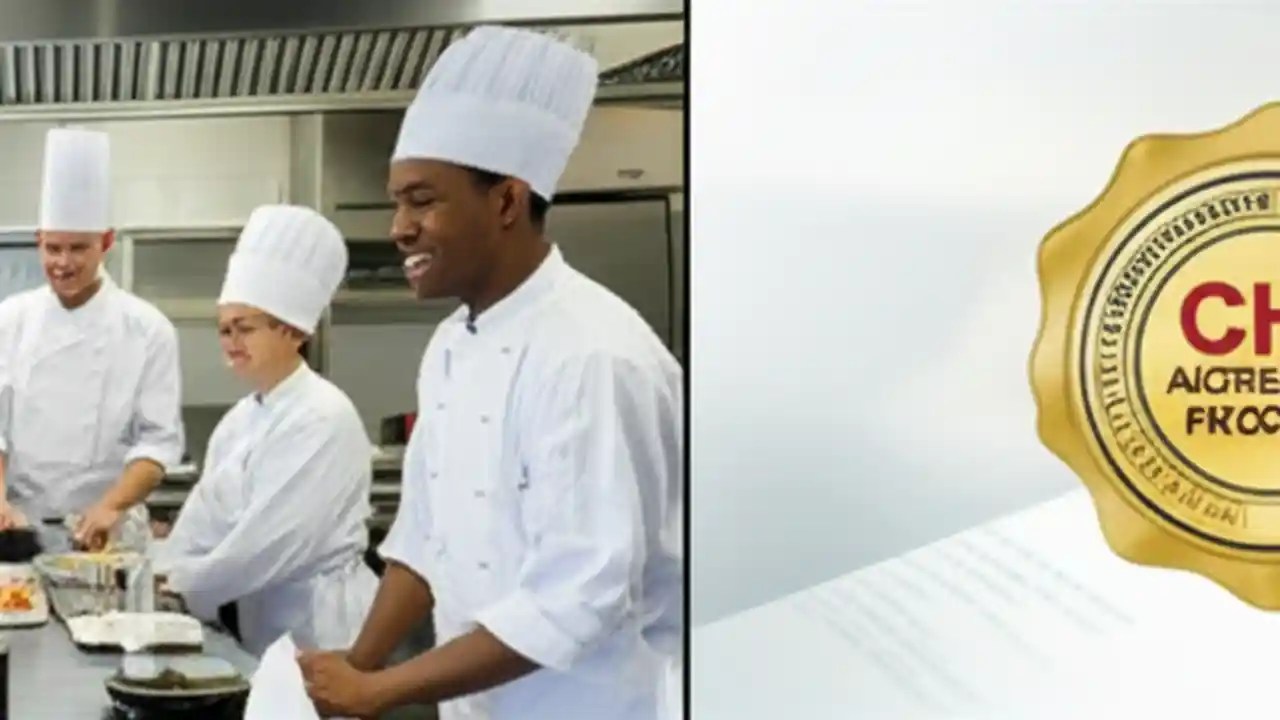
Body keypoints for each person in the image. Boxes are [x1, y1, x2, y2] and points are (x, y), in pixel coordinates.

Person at [298, 25, 684, 720]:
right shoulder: (450, 346)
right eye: (396, 202)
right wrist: (350, 671)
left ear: (506, 201)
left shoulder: (595, 355)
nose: (399, 227)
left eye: (422, 200)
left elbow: (577, 597)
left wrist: (381, 690)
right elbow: (423, 542)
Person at [152, 204, 379, 657]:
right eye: (224, 330)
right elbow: (205, 515)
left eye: (244, 328)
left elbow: (269, 545)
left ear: (293, 332)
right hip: (264, 628)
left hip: (325, 631)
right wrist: (163, 565)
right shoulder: (239, 420)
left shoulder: (323, 416)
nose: (231, 342)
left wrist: (176, 581)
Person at [0, 127, 184, 551]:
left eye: (78, 249)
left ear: (106, 243)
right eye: (53, 248)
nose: (63, 263)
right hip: (19, 529)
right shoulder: (11, 320)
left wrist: (110, 506)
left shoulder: (147, 329)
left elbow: (159, 441)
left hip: (107, 533)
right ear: (38, 243)